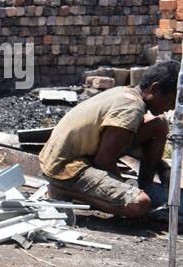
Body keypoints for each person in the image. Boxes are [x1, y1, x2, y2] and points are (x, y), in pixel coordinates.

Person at [40, 59, 178, 220]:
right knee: (140, 204)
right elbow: (104, 159)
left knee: (159, 125)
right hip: (66, 168)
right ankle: (64, 191)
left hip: (77, 155)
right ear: (154, 89)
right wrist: (126, 188)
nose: (172, 107)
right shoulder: (131, 108)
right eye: (171, 100)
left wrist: (161, 167)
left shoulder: (126, 92)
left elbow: (120, 141)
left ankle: (145, 185)